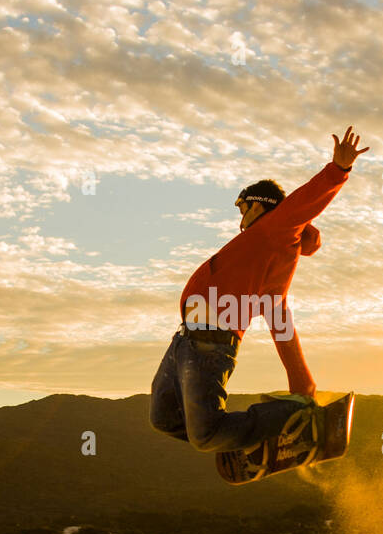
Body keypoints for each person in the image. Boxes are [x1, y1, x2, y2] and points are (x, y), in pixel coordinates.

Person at [149, 126, 369, 453]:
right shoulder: (262, 249)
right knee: (164, 418)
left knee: (206, 434)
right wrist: (302, 382)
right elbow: (278, 316)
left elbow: (302, 202)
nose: (239, 219)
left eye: (242, 208)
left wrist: (338, 170)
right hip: (185, 340)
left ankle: (289, 422)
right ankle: (252, 440)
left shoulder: (276, 227)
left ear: (258, 206)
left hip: (211, 341)